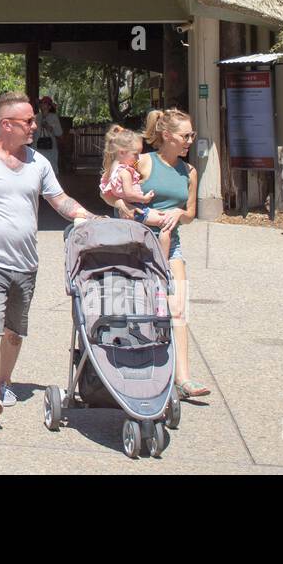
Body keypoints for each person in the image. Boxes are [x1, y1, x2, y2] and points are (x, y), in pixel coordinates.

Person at [0, 91, 100, 421]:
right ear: (7, 125)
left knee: (14, 332)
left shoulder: (38, 163)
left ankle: (4, 380)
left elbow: (60, 200)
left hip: (26, 262)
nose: (34, 126)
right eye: (28, 121)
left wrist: (91, 218)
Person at [101, 108, 210, 399]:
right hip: (136, 241)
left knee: (177, 307)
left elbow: (190, 214)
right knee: (131, 306)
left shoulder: (189, 171)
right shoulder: (143, 162)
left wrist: (178, 214)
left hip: (170, 244)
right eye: (185, 135)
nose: (189, 141)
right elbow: (109, 190)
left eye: (192, 135)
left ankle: (183, 378)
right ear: (166, 135)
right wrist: (122, 206)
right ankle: (121, 371)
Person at [99, 125, 172, 252]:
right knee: (165, 222)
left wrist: (120, 204)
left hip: (123, 211)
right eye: (136, 154)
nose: (138, 158)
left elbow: (105, 191)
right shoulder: (126, 171)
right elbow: (129, 193)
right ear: (122, 152)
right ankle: (164, 262)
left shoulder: (112, 168)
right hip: (136, 208)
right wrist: (144, 198)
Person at [36, 96, 63, 173]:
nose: (42, 105)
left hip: (50, 150)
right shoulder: (36, 117)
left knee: (51, 170)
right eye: (41, 103)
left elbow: (59, 133)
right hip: (37, 148)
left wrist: (48, 127)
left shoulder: (54, 117)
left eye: (44, 103)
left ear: (49, 106)